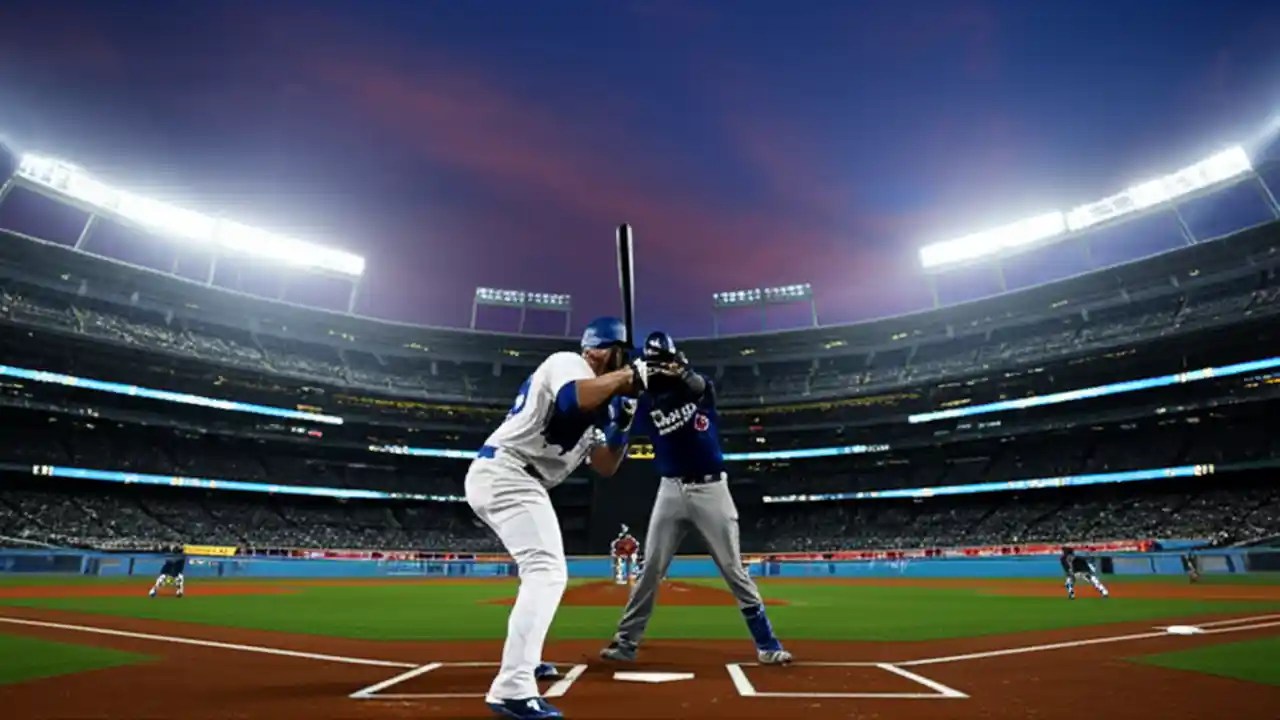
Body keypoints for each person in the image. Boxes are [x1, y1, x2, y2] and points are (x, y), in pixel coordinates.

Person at [468, 316, 655, 720]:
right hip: (506, 472)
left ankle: (525, 658)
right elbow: (573, 401)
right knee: (548, 573)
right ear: (609, 352)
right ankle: (512, 690)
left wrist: (622, 425)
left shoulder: (599, 399)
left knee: (538, 573)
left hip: (517, 480)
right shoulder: (568, 364)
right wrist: (627, 377)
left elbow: (605, 466)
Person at [600, 331, 791, 666]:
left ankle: (767, 642)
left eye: (668, 361)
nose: (664, 368)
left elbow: (697, 385)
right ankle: (626, 641)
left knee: (733, 570)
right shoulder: (645, 402)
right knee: (649, 569)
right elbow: (618, 427)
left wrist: (674, 370)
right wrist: (626, 395)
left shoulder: (696, 388)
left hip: (711, 489)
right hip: (670, 489)